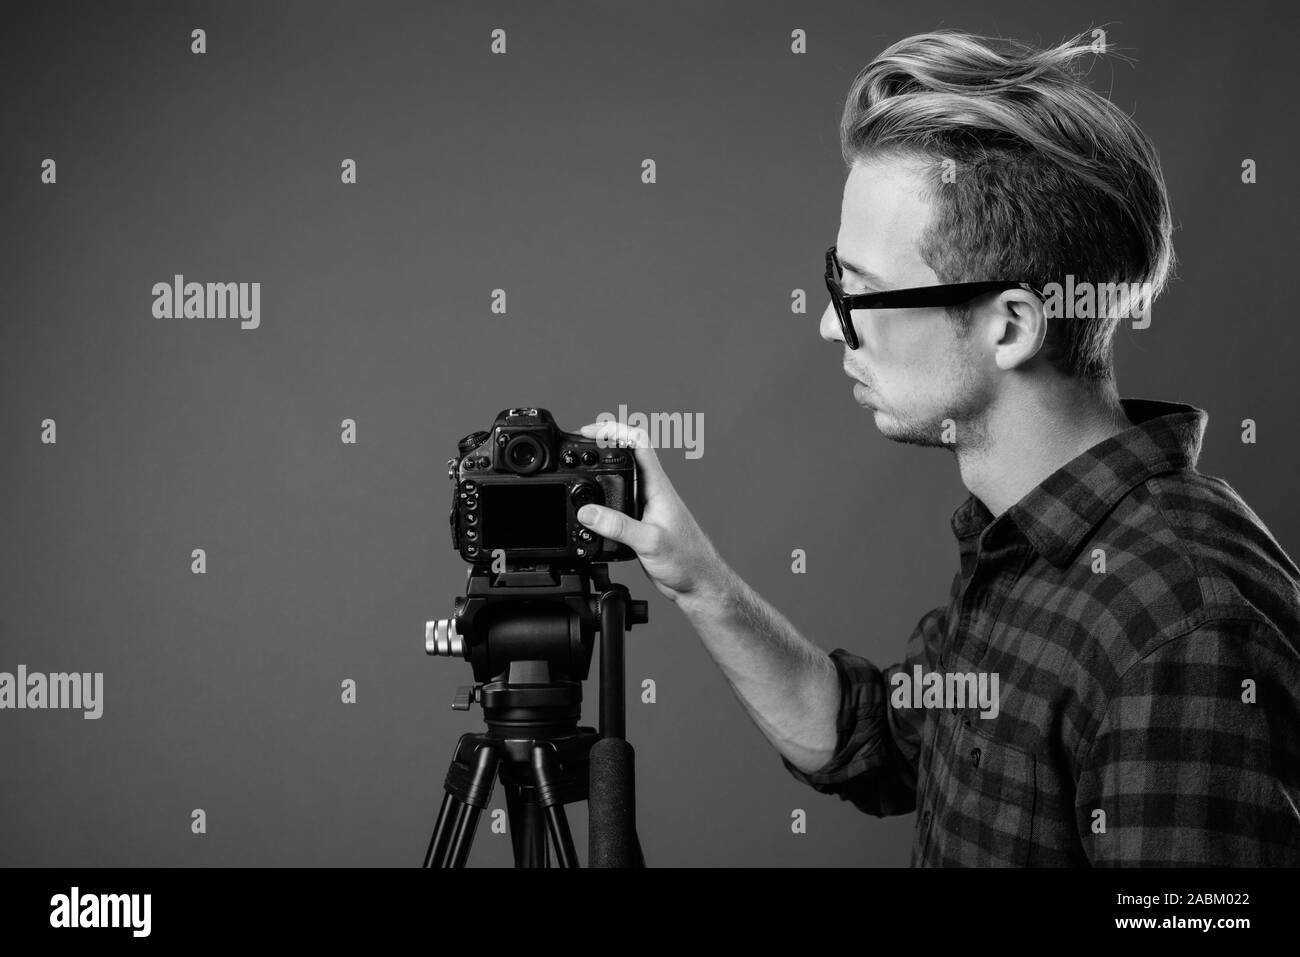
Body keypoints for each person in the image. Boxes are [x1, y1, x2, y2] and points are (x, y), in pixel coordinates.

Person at [574, 29, 1300, 866]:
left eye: (864, 294)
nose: (826, 322)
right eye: (834, 280)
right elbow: (875, 740)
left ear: (1012, 325)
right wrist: (697, 577)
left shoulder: (1185, 627)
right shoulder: (1021, 545)